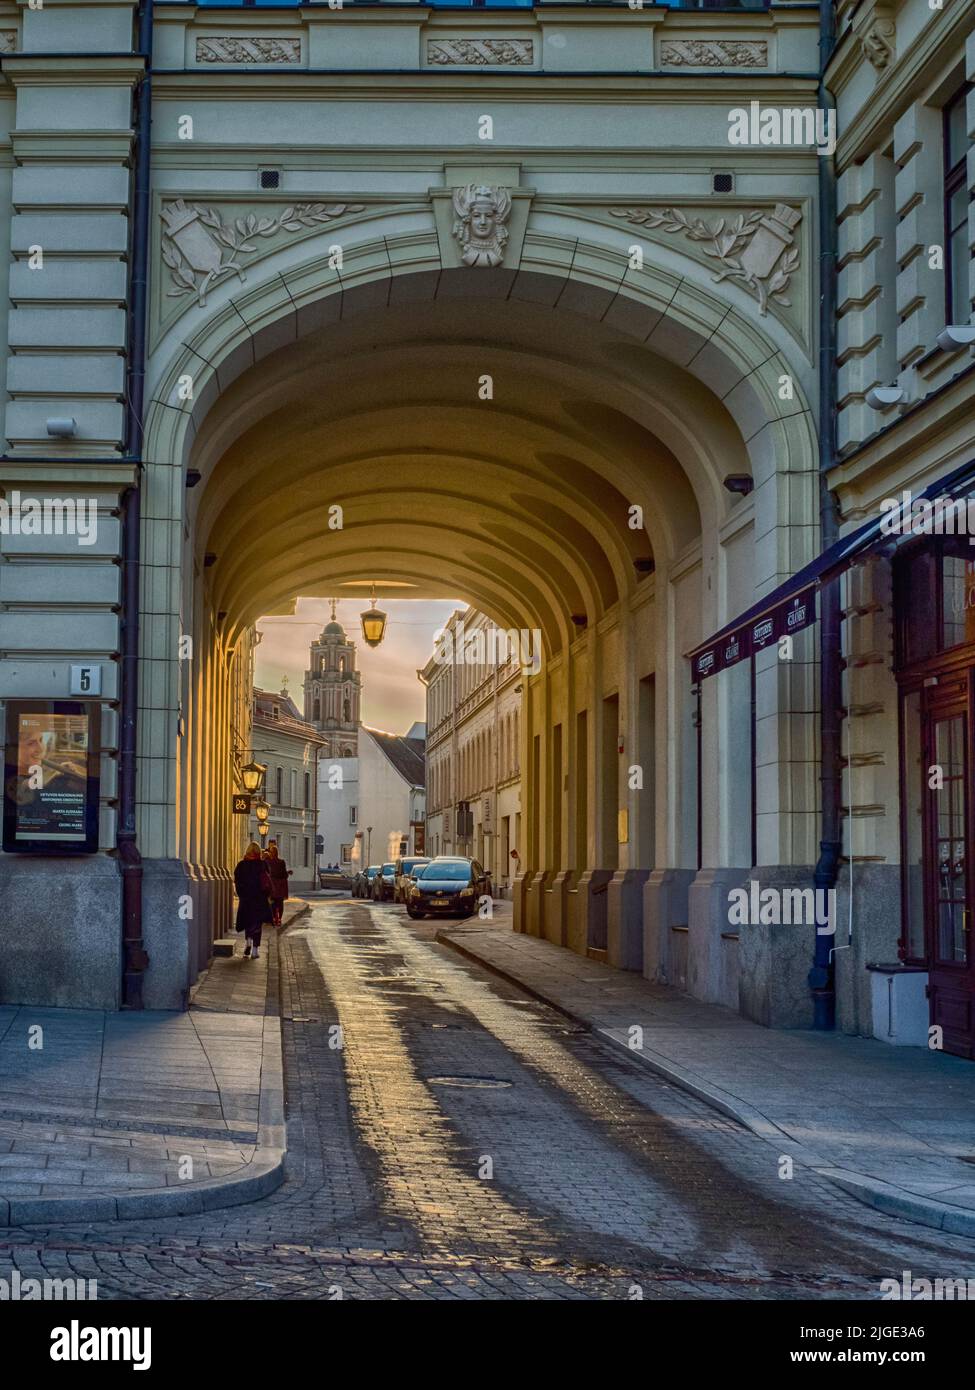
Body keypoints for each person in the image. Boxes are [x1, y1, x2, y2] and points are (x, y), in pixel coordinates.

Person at [233, 841, 273, 960]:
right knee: (257, 924)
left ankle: (248, 942)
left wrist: (242, 894)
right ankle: (255, 950)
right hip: (259, 899)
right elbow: (267, 882)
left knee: (248, 922)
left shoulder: (241, 865)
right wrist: (266, 895)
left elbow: (237, 882)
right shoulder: (262, 865)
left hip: (246, 899)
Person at [265, 842, 291, 927]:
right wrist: (288, 873)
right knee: (280, 903)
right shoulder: (281, 862)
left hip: (271, 886)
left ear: (271, 853)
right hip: (279, 887)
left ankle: (273, 918)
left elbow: (266, 873)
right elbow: (283, 874)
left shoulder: (267, 862)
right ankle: (279, 918)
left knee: (272, 902)